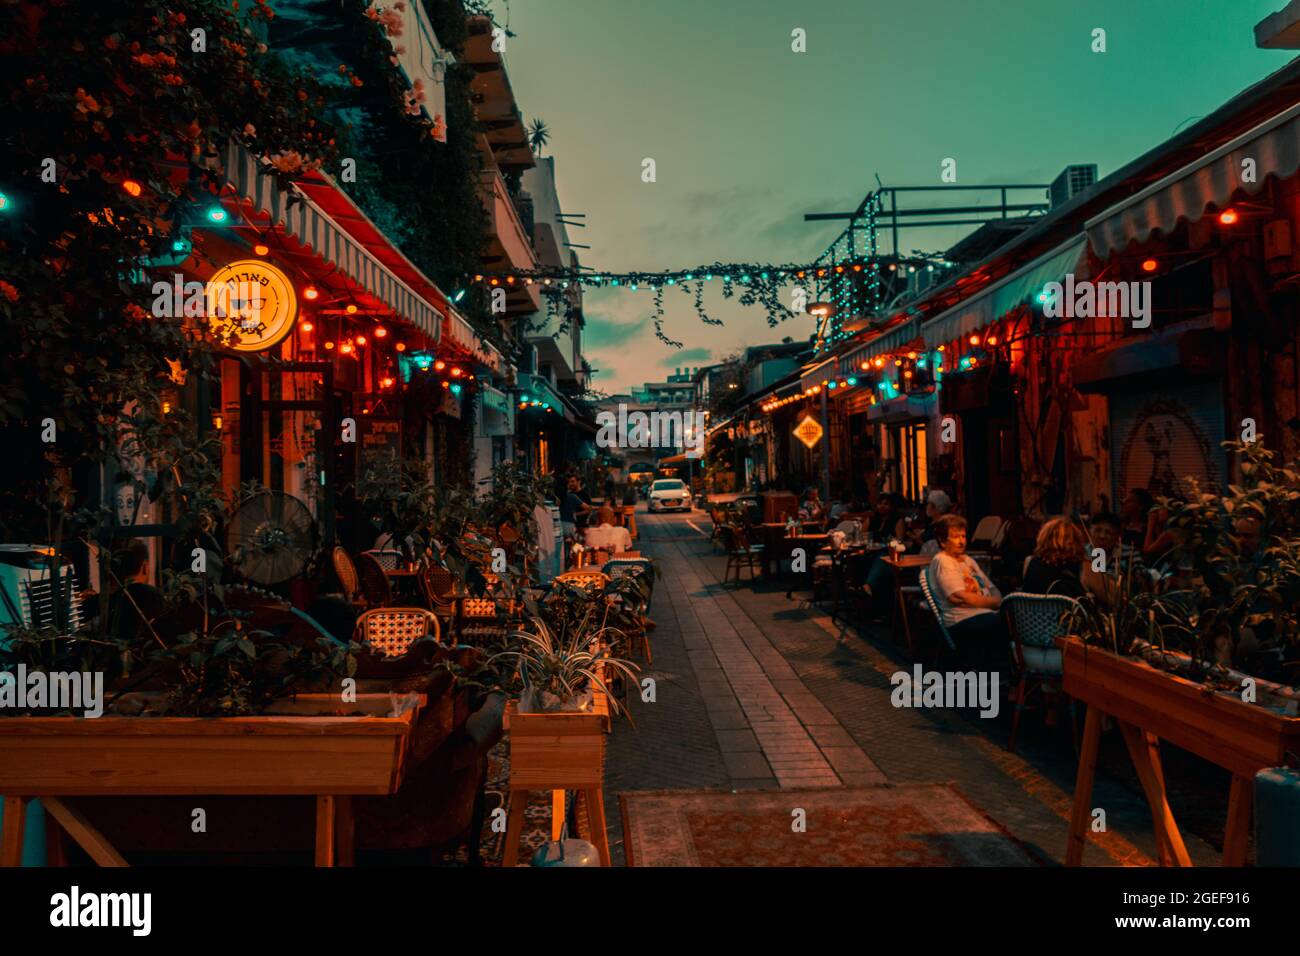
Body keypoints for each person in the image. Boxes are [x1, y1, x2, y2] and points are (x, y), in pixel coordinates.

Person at [927, 515, 1007, 664]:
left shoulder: (967, 560)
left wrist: (997, 600)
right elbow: (959, 598)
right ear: (943, 541)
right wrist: (994, 602)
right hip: (961, 619)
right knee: (1008, 623)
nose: (961, 541)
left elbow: (992, 588)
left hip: (983, 612)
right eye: (956, 537)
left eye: (963, 536)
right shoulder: (943, 561)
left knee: (1015, 619)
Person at [1021, 517, 1087, 597]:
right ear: (1075, 541)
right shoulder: (1080, 565)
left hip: (1030, 609)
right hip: (1066, 609)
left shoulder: (1029, 561)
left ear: (1044, 537)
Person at [1080, 511, 1123, 605]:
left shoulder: (1128, 554)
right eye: (1098, 530)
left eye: (1108, 532)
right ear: (1090, 531)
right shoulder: (1080, 553)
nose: (1102, 536)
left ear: (1117, 536)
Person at [559, 474, 591, 539]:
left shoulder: (585, 495)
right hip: (572, 526)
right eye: (569, 482)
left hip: (581, 526)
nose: (571, 484)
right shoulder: (569, 495)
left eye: (573, 481)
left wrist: (575, 514)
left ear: (579, 482)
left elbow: (589, 509)